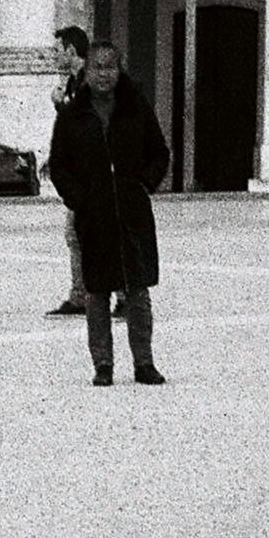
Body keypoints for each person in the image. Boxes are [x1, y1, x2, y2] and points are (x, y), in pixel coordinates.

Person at [49, 35, 167, 386]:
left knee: (138, 291)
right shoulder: (73, 114)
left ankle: (144, 363)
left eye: (111, 67)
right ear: (86, 71)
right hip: (94, 214)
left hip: (132, 212)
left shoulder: (136, 106)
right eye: (98, 67)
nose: (104, 74)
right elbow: (59, 165)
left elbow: (159, 151)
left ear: (120, 69)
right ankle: (103, 365)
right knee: (97, 293)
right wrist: (78, 199)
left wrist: (143, 183)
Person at [46, 24, 92, 313]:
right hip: (79, 171)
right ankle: (80, 294)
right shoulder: (76, 81)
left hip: (92, 173)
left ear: (71, 51)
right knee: (75, 233)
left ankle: (91, 295)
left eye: (58, 50)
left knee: (86, 234)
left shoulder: (90, 82)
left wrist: (61, 105)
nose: (54, 56)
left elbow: (83, 123)